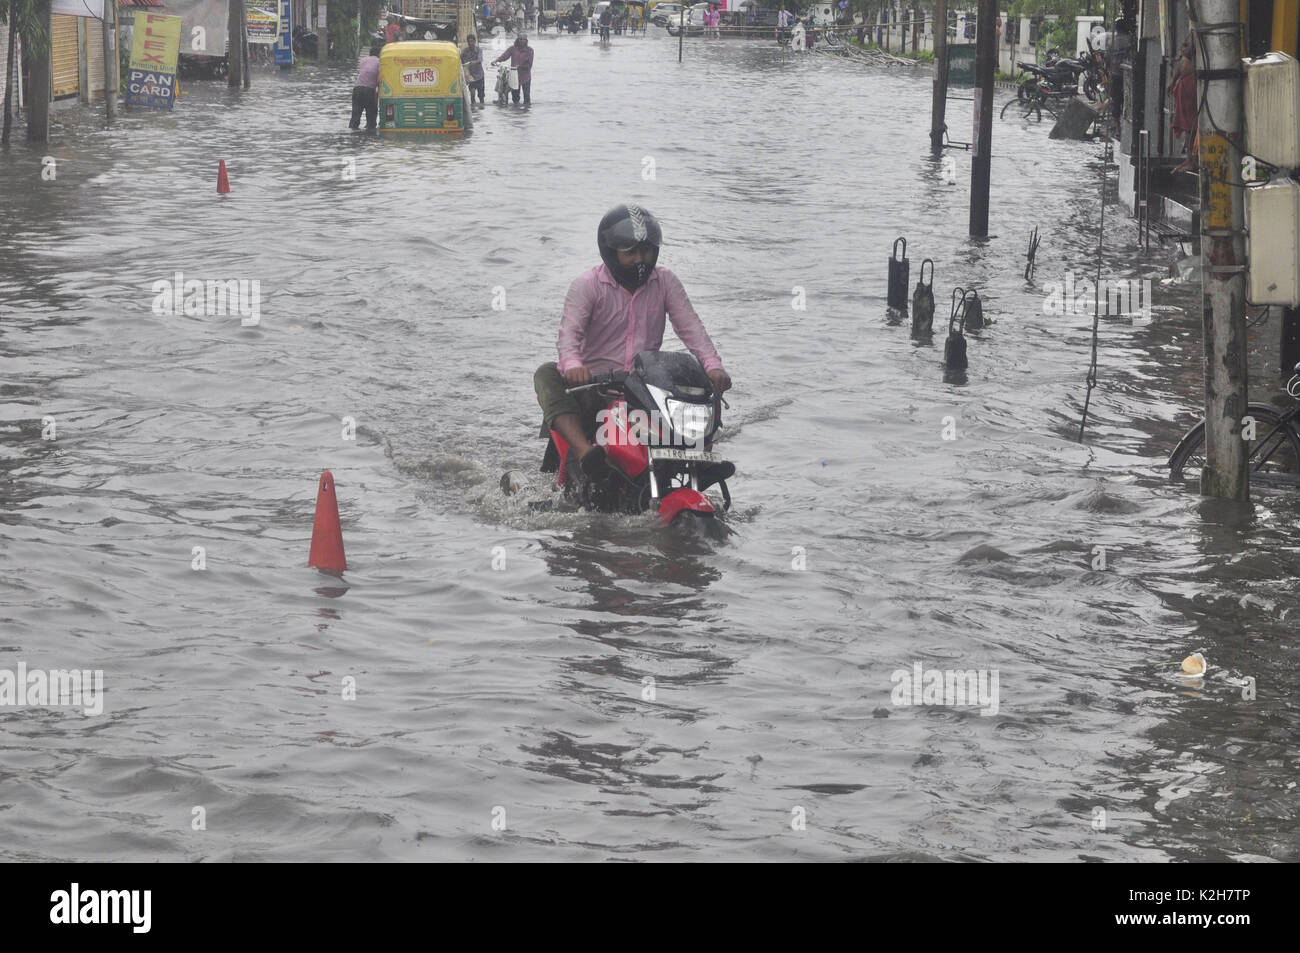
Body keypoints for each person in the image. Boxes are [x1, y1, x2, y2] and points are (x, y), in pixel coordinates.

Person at [534, 205, 732, 480]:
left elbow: (692, 329)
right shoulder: (587, 285)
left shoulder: (665, 282)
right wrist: (573, 365)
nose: (641, 259)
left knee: (692, 376)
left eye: (647, 251)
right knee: (546, 372)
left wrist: (713, 367)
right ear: (611, 253)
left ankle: (700, 454)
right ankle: (583, 451)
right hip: (594, 388)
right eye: (631, 253)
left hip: (645, 390)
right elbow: (569, 337)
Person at [1169, 29, 1197, 173]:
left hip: (1192, 87)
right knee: (1186, 127)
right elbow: (1182, 61)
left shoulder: (1198, 35)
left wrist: (1185, 47)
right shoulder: (1191, 33)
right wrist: (1173, 82)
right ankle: (1188, 158)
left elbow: (1188, 52)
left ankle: (1192, 160)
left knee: (1192, 126)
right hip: (1184, 85)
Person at [493, 33, 534, 104]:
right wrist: (496, 60)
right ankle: (515, 112)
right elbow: (504, 56)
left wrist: (520, 66)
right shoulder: (512, 49)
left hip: (525, 76)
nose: (522, 41)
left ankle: (526, 113)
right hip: (514, 76)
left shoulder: (530, 50)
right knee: (515, 97)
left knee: (526, 97)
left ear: (526, 41)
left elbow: (529, 64)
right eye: (520, 39)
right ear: (517, 40)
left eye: (523, 39)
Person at [349, 44, 382, 130]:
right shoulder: (380, 62)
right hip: (369, 90)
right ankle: (370, 136)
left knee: (355, 116)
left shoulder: (363, 60)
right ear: (379, 54)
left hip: (357, 89)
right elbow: (379, 79)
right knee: (371, 119)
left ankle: (353, 133)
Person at [461, 34, 486, 105]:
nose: (470, 43)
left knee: (481, 96)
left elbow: (480, 59)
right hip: (471, 76)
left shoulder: (479, 50)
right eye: (469, 41)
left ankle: (481, 108)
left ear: (475, 41)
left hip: (479, 75)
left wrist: (474, 62)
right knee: (472, 93)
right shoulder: (465, 51)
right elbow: (459, 59)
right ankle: (473, 111)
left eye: (472, 41)